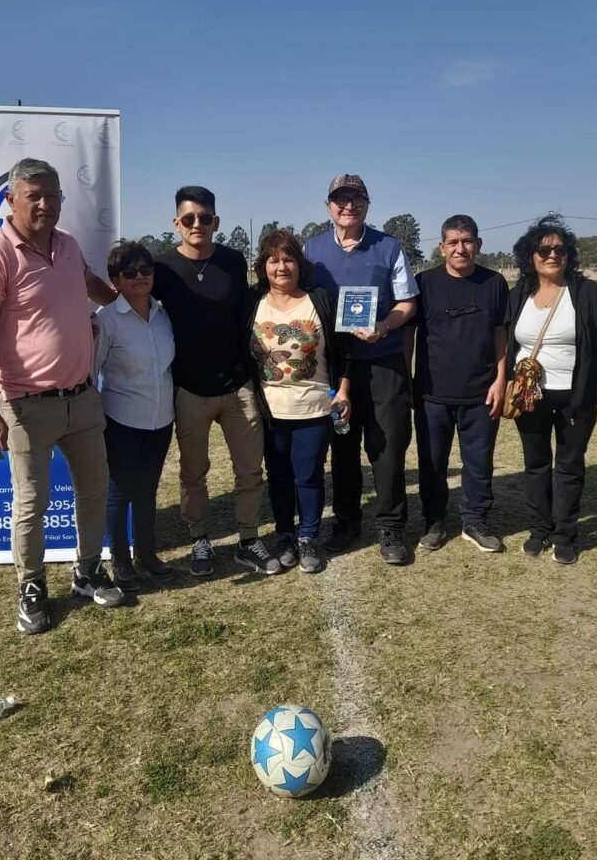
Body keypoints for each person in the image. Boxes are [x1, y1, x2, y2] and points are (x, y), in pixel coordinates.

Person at [0, 158, 123, 634]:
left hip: (83, 398)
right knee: (32, 502)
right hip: (26, 406)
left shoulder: (68, 247)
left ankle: (87, 571)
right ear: (11, 200)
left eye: (53, 196)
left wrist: (135, 296)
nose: (46, 204)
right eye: (35, 196)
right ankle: (31, 587)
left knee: (94, 490)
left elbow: (96, 290)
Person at [152, 187, 280, 577]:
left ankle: (248, 539)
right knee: (193, 472)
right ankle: (200, 539)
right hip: (189, 389)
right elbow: (131, 304)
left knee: (249, 470)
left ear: (216, 222)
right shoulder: (161, 268)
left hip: (237, 386)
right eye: (188, 219)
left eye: (204, 218)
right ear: (176, 224)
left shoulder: (231, 259)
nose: (197, 225)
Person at [304, 174, 418, 565]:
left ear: (367, 204)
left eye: (356, 198)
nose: (348, 205)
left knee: (385, 447)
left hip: (382, 362)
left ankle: (391, 526)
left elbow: (407, 302)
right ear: (328, 206)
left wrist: (384, 325)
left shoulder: (389, 246)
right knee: (342, 446)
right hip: (334, 368)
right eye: (340, 198)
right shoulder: (311, 250)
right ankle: (347, 521)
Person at [505, 216, 597, 565]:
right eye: (544, 249)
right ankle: (539, 529)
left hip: (576, 395)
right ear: (531, 256)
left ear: (569, 254)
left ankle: (564, 535)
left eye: (560, 249)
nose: (552, 255)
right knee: (536, 464)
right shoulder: (518, 295)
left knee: (569, 466)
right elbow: (505, 344)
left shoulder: (587, 293)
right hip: (530, 397)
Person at [245, 230, 351, 574]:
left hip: (314, 407)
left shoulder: (319, 299)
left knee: (308, 476)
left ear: (299, 264)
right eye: (274, 260)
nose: (281, 266)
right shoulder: (252, 302)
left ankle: (308, 538)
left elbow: (343, 350)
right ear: (263, 266)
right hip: (269, 412)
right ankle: (285, 537)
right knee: (278, 477)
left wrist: (344, 390)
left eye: (288, 258)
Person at [409, 215, 508, 553]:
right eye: (453, 242)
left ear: (478, 245)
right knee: (432, 463)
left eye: (466, 241)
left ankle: (475, 521)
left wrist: (500, 379)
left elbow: (500, 335)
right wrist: (409, 379)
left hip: (481, 393)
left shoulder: (494, 283)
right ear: (441, 248)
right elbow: (410, 336)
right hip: (432, 394)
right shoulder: (424, 283)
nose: (460, 248)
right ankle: (434, 521)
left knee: (479, 463)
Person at [94, 241, 176, 592]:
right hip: (122, 421)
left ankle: (146, 554)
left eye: (146, 269)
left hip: (161, 420)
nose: (140, 277)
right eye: (130, 272)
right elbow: (90, 370)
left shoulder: (163, 313)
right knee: (119, 492)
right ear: (115, 281)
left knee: (148, 490)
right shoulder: (107, 321)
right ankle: (120, 562)